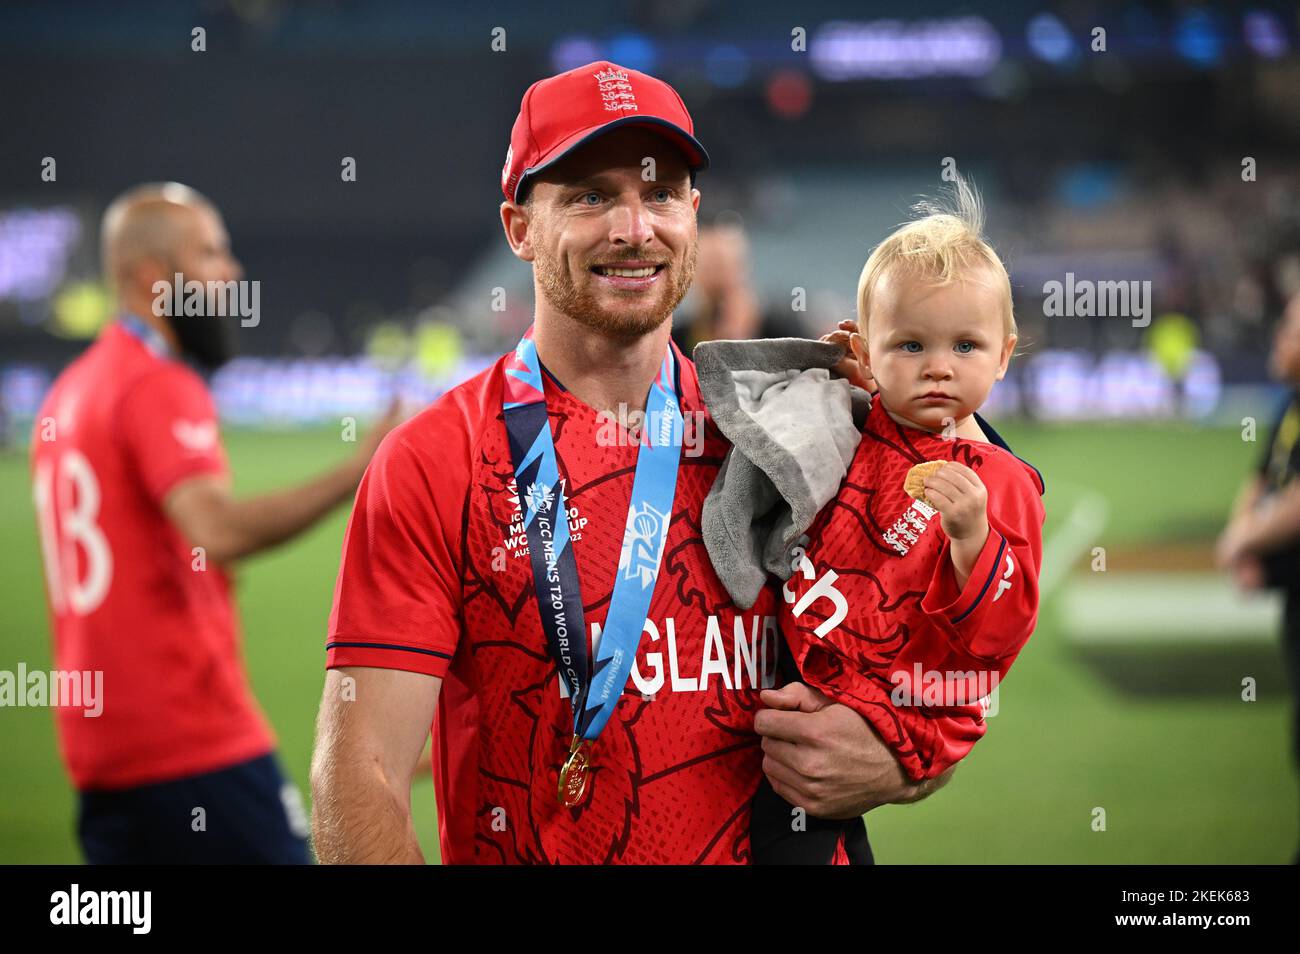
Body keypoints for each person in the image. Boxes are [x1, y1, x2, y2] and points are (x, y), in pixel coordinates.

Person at [311, 60, 952, 866]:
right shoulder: (433, 462)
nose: (634, 227)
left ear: (693, 211)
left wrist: (909, 755)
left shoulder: (796, 424)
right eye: (590, 195)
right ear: (519, 228)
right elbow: (360, 775)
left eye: (660, 193)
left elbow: (948, 654)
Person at [30, 182, 399, 864]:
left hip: (99, 744)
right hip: (186, 735)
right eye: (208, 253)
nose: (230, 272)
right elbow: (217, 530)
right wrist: (361, 470)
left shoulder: (73, 389)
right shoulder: (156, 382)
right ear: (152, 278)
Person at [752, 180, 1046, 862]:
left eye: (966, 347)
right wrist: (825, 380)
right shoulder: (858, 420)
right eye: (910, 345)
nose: (939, 367)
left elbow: (1000, 638)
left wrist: (974, 539)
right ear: (867, 348)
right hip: (800, 666)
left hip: (887, 712)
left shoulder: (996, 481)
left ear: (1005, 353)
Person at [1217, 289, 1300, 864]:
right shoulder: (1288, 406)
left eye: (1291, 327)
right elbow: (1263, 479)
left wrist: (1241, 540)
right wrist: (1249, 540)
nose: (1279, 335)